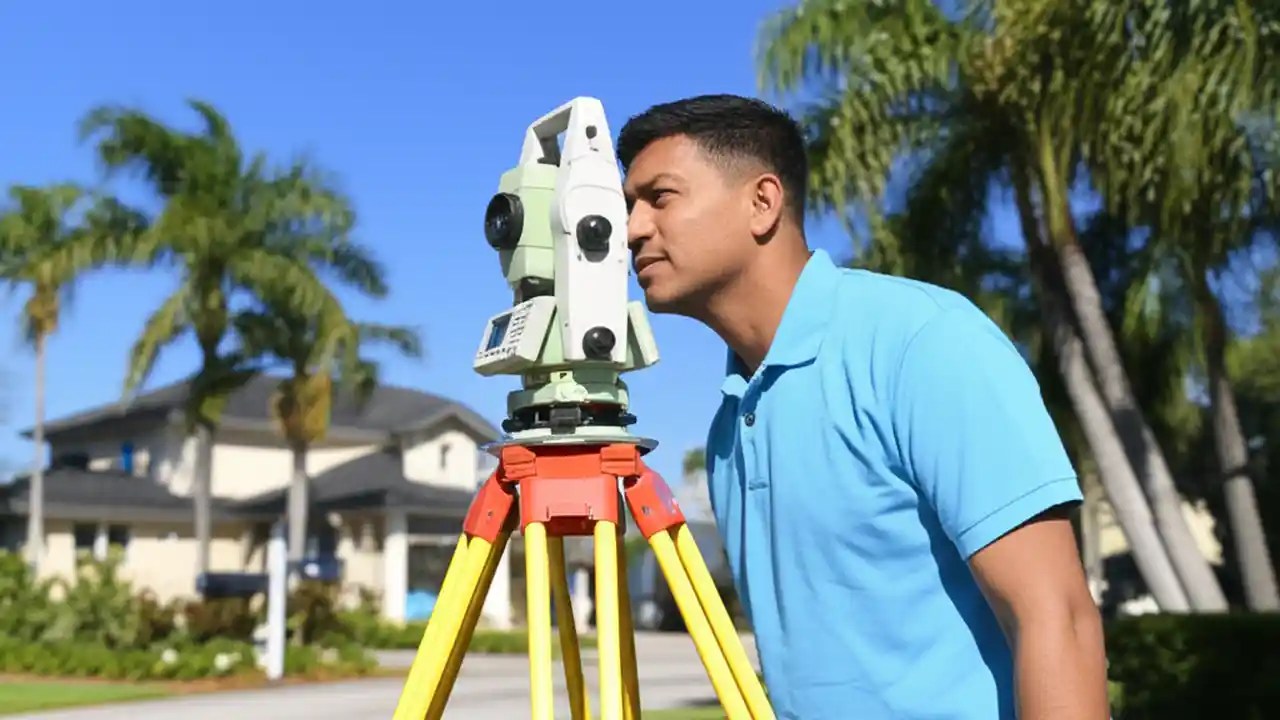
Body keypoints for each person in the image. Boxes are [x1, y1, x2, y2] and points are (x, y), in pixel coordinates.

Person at [616, 93, 1110, 719]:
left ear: (762, 202)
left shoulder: (921, 341)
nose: (633, 228)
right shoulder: (728, 425)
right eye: (630, 205)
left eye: (660, 197)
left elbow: (1058, 618)